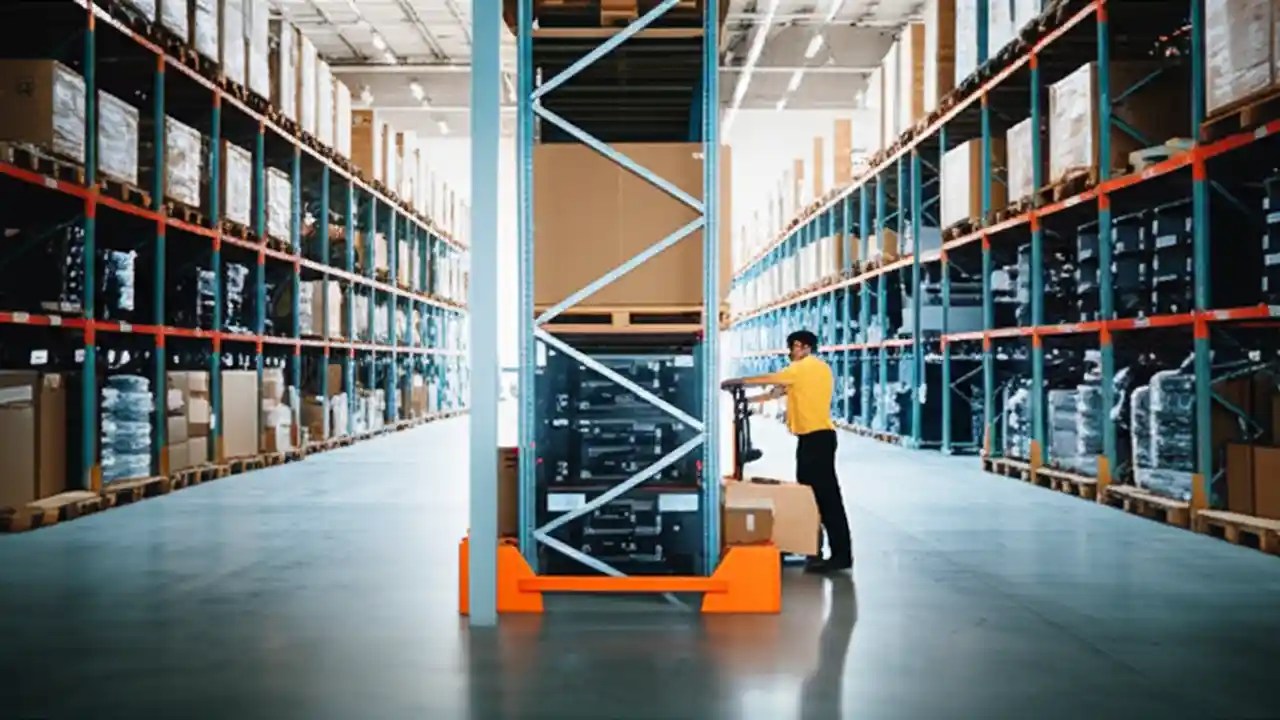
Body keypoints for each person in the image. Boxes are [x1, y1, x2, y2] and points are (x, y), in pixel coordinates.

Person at [721, 330, 852, 574]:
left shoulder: (805, 367)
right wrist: (746, 401)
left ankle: (841, 554)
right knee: (813, 495)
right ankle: (818, 548)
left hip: (817, 440)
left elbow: (771, 378)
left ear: (801, 346)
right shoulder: (808, 372)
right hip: (813, 440)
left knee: (825, 498)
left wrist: (736, 383)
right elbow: (775, 392)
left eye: (792, 348)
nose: (790, 353)